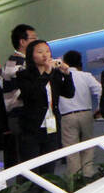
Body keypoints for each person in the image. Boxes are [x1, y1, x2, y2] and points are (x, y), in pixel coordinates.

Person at [5, 39, 75, 172]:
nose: (45, 55)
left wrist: (67, 74)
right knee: (32, 168)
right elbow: (32, 94)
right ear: (31, 55)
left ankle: (47, 192)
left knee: (49, 168)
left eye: (48, 51)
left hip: (52, 127)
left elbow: (69, 93)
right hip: (32, 128)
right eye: (40, 52)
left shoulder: (55, 74)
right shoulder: (23, 75)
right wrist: (46, 74)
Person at [58, 51, 102, 178]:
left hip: (66, 116)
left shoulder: (60, 76)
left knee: (71, 150)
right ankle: (88, 174)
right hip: (86, 114)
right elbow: (99, 90)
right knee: (88, 146)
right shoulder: (86, 76)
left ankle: (75, 178)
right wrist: (99, 108)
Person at [0, 23, 37, 166]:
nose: (37, 42)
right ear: (22, 42)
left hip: (24, 115)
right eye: (33, 39)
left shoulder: (24, 62)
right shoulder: (16, 63)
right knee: (26, 160)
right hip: (20, 116)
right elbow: (26, 90)